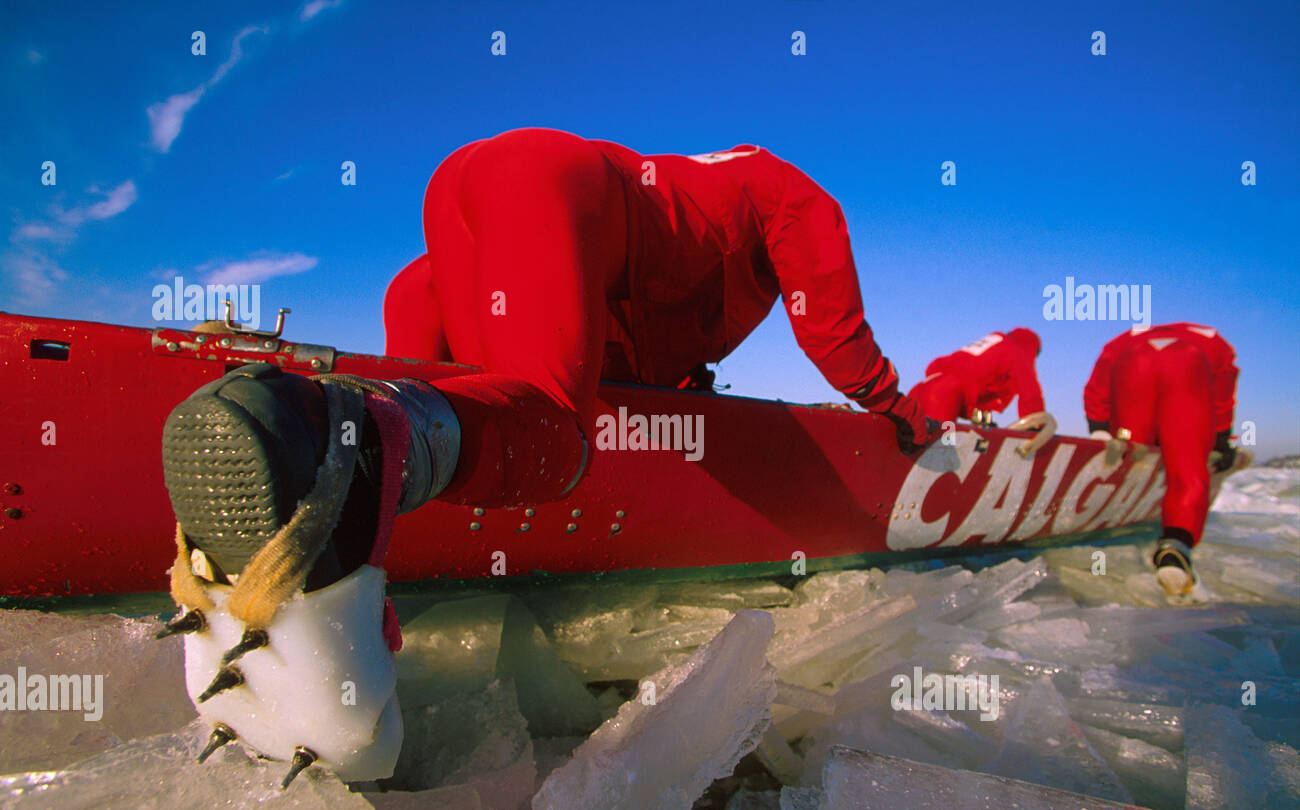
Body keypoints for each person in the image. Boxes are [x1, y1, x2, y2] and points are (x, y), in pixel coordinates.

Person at [161, 128, 937, 588]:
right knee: (550, 430)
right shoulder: (798, 199)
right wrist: (898, 407)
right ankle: (320, 454)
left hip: (463, 193)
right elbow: (832, 334)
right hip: (546, 184)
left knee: (472, 403)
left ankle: (313, 438)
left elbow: (610, 330)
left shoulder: (695, 199)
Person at [1082, 321, 1241, 598]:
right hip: (1189, 367)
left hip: (1132, 366)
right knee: (1188, 467)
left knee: (1133, 451)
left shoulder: (1125, 338)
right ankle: (1174, 547)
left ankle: (1114, 491)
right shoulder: (1213, 339)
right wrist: (1220, 438)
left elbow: (1098, 383)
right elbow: (1223, 392)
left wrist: (1099, 429)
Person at [906, 328, 1045, 426]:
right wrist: (1036, 425)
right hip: (943, 395)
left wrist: (981, 421)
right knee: (939, 452)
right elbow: (1029, 391)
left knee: (904, 454)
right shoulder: (1018, 350)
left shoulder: (995, 344)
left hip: (920, 390)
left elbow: (968, 383)